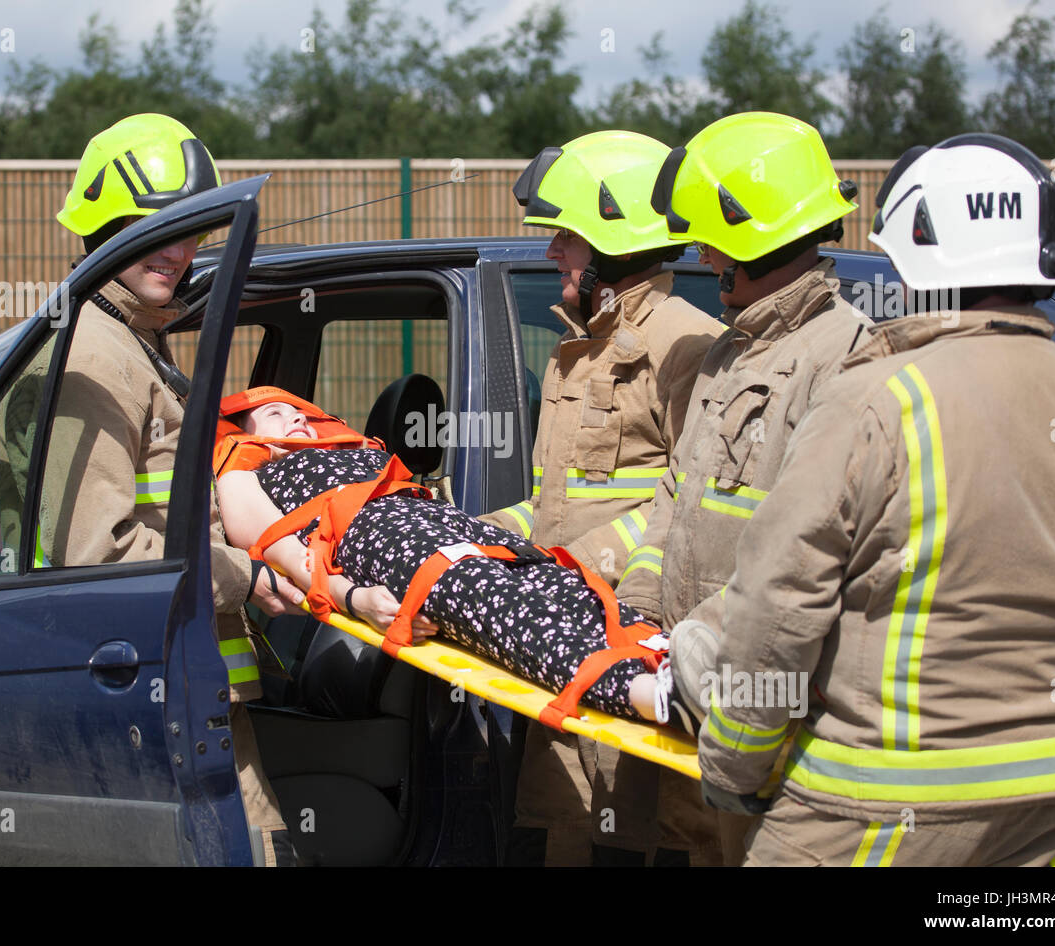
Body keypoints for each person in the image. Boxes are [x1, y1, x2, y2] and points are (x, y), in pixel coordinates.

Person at [677, 132, 1055, 866]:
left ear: (919, 259)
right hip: (1051, 798)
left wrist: (734, 771)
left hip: (879, 806)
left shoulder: (875, 401)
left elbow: (778, 608)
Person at [43, 113, 302, 866]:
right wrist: (248, 577)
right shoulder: (96, 355)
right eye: (155, 228)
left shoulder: (134, 344)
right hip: (156, 698)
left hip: (187, 692)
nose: (179, 249)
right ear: (106, 229)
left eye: (190, 229)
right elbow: (99, 553)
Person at [616, 111, 873, 865]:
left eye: (712, 237)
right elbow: (677, 493)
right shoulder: (731, 351)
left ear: (752, 235)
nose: (700, 252)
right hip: (682, 687)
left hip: (766, 725)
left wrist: (698, 648)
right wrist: (638, 607)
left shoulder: (843, 356)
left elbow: (810, 553)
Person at [482, 129, 723, 866]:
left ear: (614, 246)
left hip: (637, 658)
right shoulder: (579, 352)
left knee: (650, 844)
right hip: (571, 655)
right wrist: (482, 537)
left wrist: (576, 563)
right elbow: (560, 502)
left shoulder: (687, 347)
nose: (552, 251)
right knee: (570, 838)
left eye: (567, 237)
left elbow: (691, 503)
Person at [214, 394, 680, 726]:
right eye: (275, 415)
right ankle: (653, 696)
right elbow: (289, 556)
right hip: (386, 542)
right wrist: (354, 599)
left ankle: (671, 657)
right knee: (501, 608)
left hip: (439, 520)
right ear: (243, 436)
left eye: (299, 411)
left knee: (550, 580)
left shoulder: (348, 450)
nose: (295, 418)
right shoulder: (243, 473)